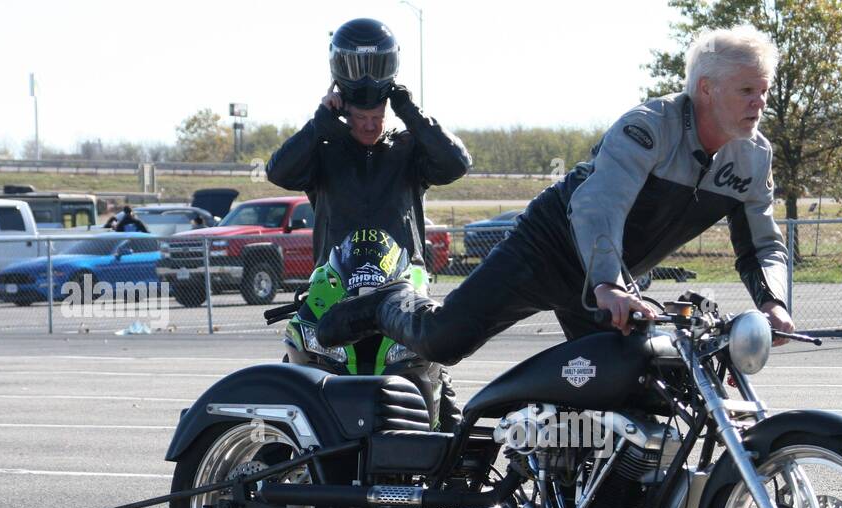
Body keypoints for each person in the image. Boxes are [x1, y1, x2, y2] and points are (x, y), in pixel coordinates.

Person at [317, 25, 794, 367]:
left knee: (638, 391)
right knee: (443, 340)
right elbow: (598, 205)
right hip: (551, 248)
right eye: (748, 90)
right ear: (706, 89)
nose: (760, 102)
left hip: (612, 280)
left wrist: (774, 302)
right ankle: (384, 301)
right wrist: (609, 283)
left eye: (764, 91)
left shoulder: (754, 158)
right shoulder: (649, 127)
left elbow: (762, 245)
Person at [267, 16, 470, 428]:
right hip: (334, 291)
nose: (369, 124)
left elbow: (456, 163)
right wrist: (321, 121)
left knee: (441, 398)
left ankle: (445, 466)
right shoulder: (324, 151)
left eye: (377, 115)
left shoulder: (410, 149)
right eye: (360, 118)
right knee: (300, 381)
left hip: (402, 292)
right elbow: (279, 171)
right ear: (344, 111)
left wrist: (409, 110)